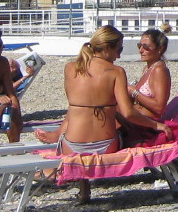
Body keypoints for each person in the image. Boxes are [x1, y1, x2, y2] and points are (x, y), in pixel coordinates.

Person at [59, 25, 162, 202]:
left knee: (76, 121)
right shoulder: (116, 72)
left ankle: (84, 188)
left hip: (72, 146)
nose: (119, 55)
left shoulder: (70, 68)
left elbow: (74, 107)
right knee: (127, 131)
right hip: (106, 145)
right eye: (118, 49)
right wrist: (157, 125)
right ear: (107, 48)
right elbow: (129, 113)